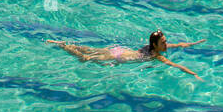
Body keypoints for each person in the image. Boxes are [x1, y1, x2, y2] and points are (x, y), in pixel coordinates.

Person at [46, 31, 204, 78]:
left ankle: (63, 43)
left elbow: (179, 44)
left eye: (165, 41)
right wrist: (194, 74)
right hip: (116, 57)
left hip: (117, 50)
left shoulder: (152, 48)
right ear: (155, 45)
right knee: (85, 57)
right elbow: (176, 65)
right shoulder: (156, 55)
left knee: (88, 49)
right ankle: (62, 46)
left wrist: (194, 43)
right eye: (163, 42)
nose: (166, 44)